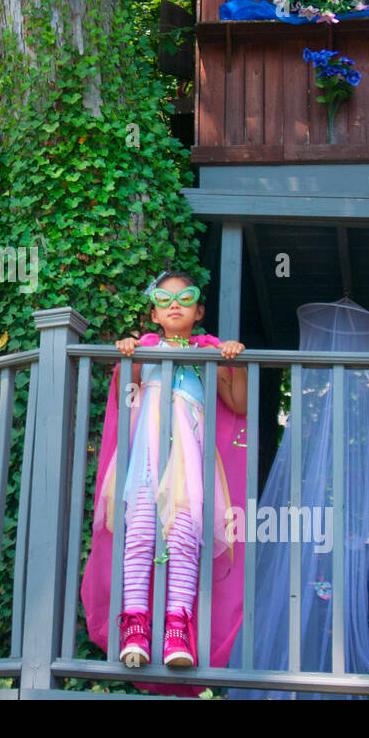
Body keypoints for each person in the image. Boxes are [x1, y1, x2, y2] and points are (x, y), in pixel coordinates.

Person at [80, 270, 248, 696]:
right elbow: (126, 391)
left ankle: (178, 627)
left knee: (185, 533)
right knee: (138, 532)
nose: (175, 304)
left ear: (199, 310)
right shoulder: (146, 349)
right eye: (165, 298)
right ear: (154, 311)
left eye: (185, 297)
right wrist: (128, 355)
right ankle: (134, 625)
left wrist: (236, 361)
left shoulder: (209, 352)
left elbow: (239, 403)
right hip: (143, 459)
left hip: (191, 461)